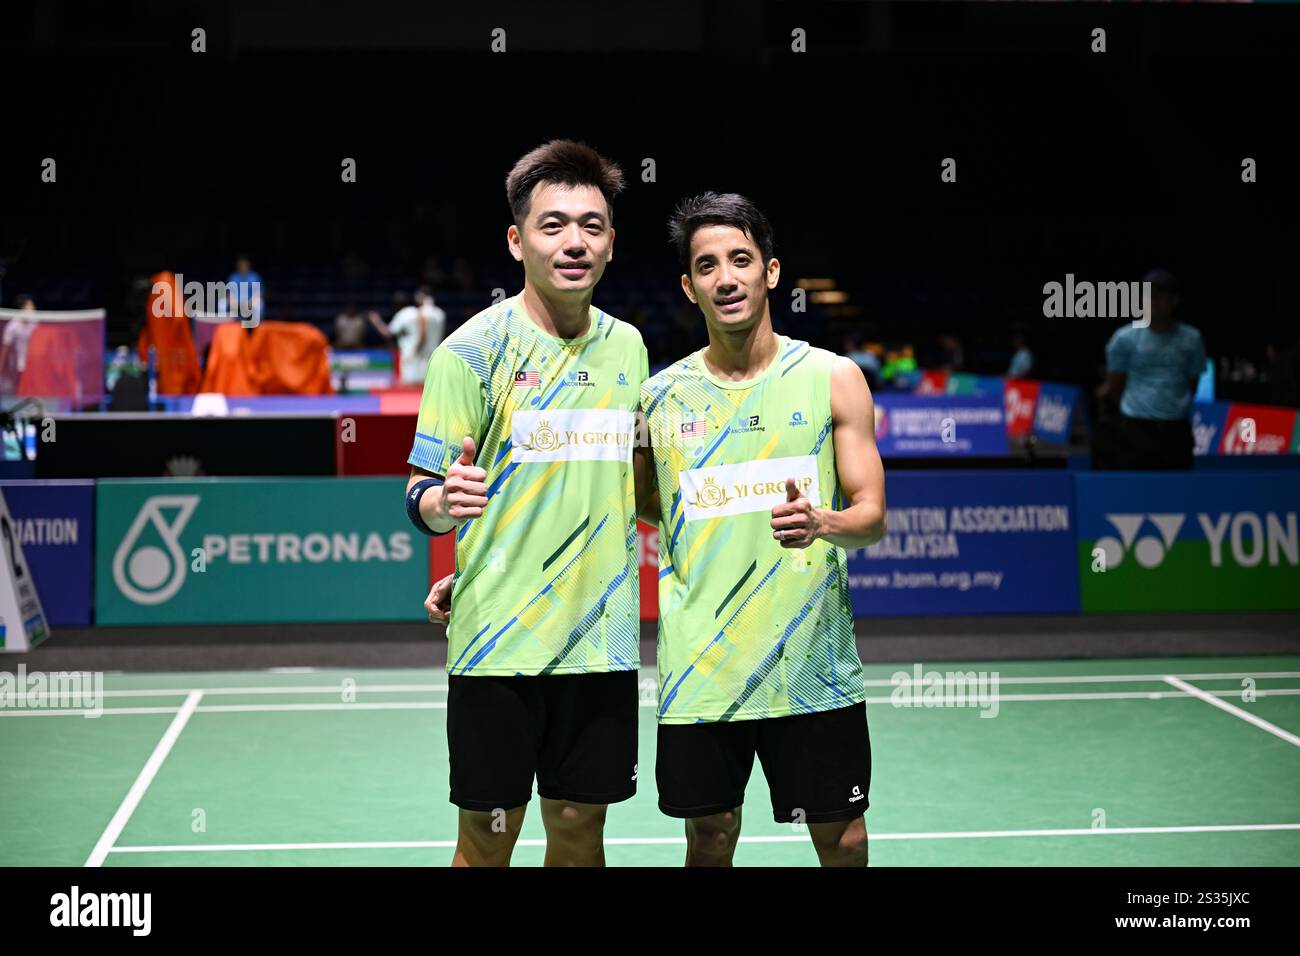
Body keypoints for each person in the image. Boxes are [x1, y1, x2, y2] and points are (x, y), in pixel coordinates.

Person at [404, 140, 648, 867]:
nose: (573, 240)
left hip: (601, 640)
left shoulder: (630, 349)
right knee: (487, 839)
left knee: (579, 829)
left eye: (592, 225)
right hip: (497, 643)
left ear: (610, 243)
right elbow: (420, 496)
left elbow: (627, 482)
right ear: (517, 240)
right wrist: (446, 505)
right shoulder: (469, 354)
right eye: (553, 224)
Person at [638, 192, 885, 866]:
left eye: (741, 260)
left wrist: (824, 520)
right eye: (708, 265)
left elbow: (871, 519)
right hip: (704, 666)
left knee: (844, 837)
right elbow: (630, 508)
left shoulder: (834, 379)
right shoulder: (658, 399)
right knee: (710, 837)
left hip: (812, 664)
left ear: (770, 272)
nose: (727, 277)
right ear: (690, 287)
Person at [1095, 269, 1206, 470]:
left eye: (1160, 296)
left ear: (1175, 300)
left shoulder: (1192, 339)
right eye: (1148, 295)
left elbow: (1192, 383)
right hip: (1136, 430)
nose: (1154, 301)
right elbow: (1115, 385)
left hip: (1176, 432)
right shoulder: (1123, 339)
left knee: (1178, 493)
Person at [388, 287, 446, 385]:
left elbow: (422, 333)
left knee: (416, 381)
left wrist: (415, 349)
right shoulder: (440, 313)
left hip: (422, 351)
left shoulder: (421, 312)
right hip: (437, 349)